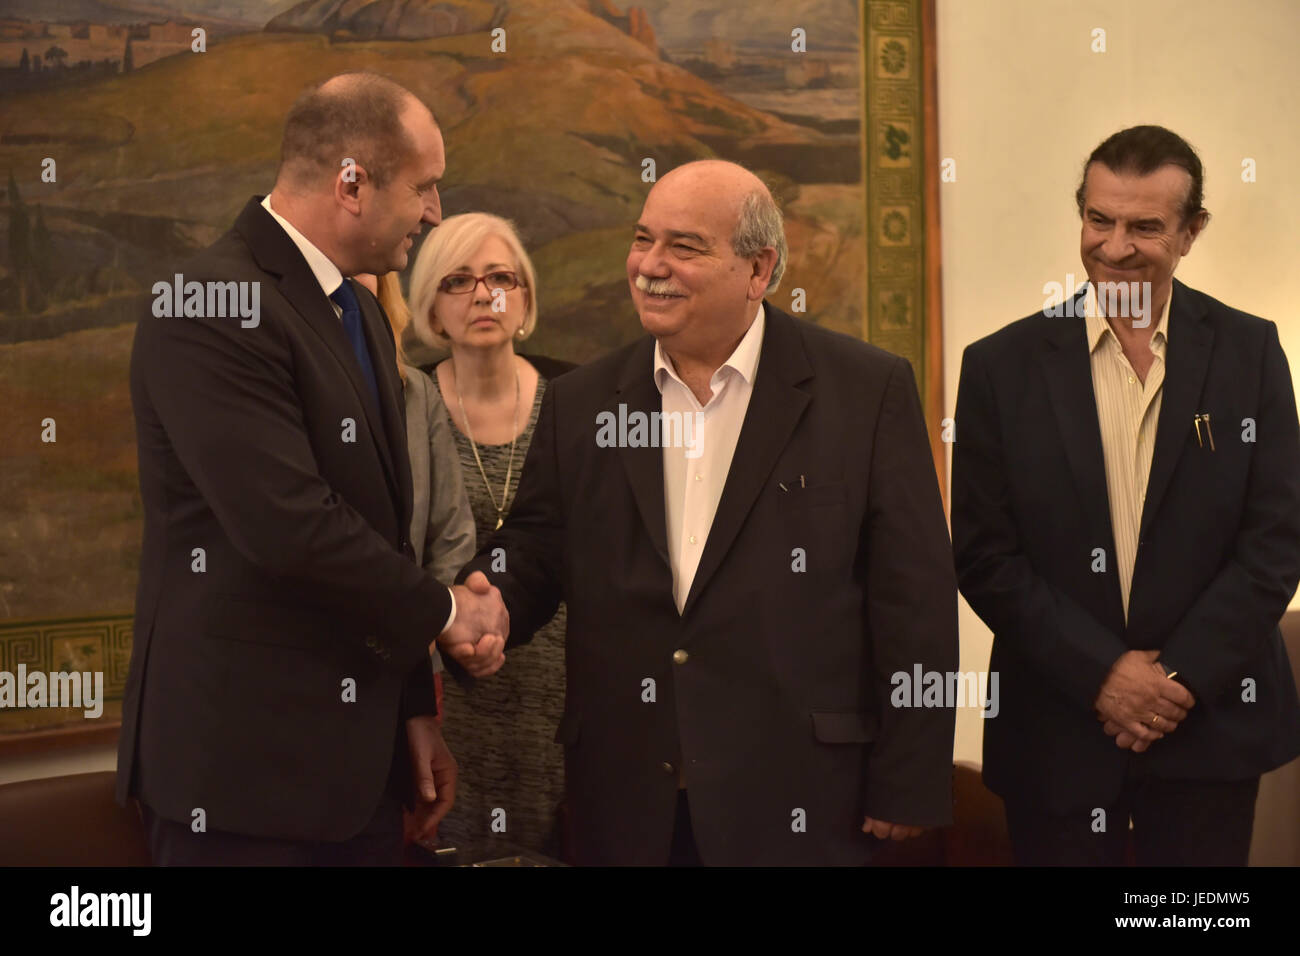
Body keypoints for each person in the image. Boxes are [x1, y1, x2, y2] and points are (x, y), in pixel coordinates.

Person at [450, 160, 959, 866]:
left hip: (804, 798)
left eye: (684, 247)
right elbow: (539, 542)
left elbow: (917, 598)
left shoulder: (866, 391)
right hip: (631, 801)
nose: (649, 266)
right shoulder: (585, 401)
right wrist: (494, 598)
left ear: (759, 270)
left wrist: (910, 780)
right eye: (642, 239)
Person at [118, 71, 508, 865]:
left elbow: (382, 534)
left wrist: (412, 714)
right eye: (425, 187)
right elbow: (288, 527)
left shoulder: (359, 307)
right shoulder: (207, 303)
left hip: (358, 780)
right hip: (243, 787)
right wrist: (446, 612)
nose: (436, 210)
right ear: (352, 183)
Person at [952, 125, 1300, 866]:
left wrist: (1171, 681)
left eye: (1144, 227)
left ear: (1191, 231)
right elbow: (986, 557)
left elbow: (1275, 541)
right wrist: (1104, 676)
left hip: (1209, 727)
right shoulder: (998, 368)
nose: (1114, 247)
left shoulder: (1251, 353)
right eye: (1098, 220)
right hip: (1055, 729)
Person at [404, 213, 573, 860]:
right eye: (459, 280)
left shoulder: (577, 400)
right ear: (432, 309)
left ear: (525, 299)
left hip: (566, 685)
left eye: (502, 278)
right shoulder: (404, 406)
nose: (483, 295)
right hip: (448, 688)